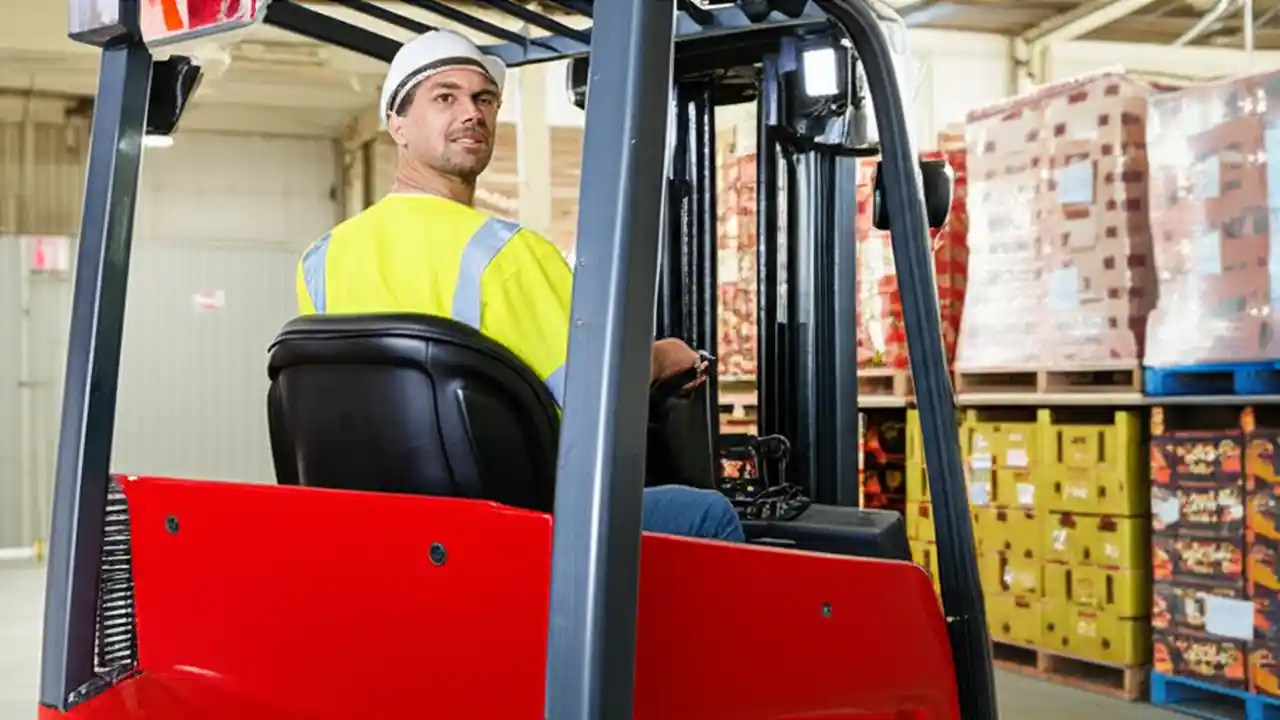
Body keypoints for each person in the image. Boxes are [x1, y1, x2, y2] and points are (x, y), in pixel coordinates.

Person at [295, 29, 744, 543]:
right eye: (446, 97)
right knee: (707, 514)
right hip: (504, 530)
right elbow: (600, 393)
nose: (472, 112)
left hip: (385, 528)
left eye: (483, 98)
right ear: (396, 123)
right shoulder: (507, 253)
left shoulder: (321, 260)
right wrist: (666, 357)